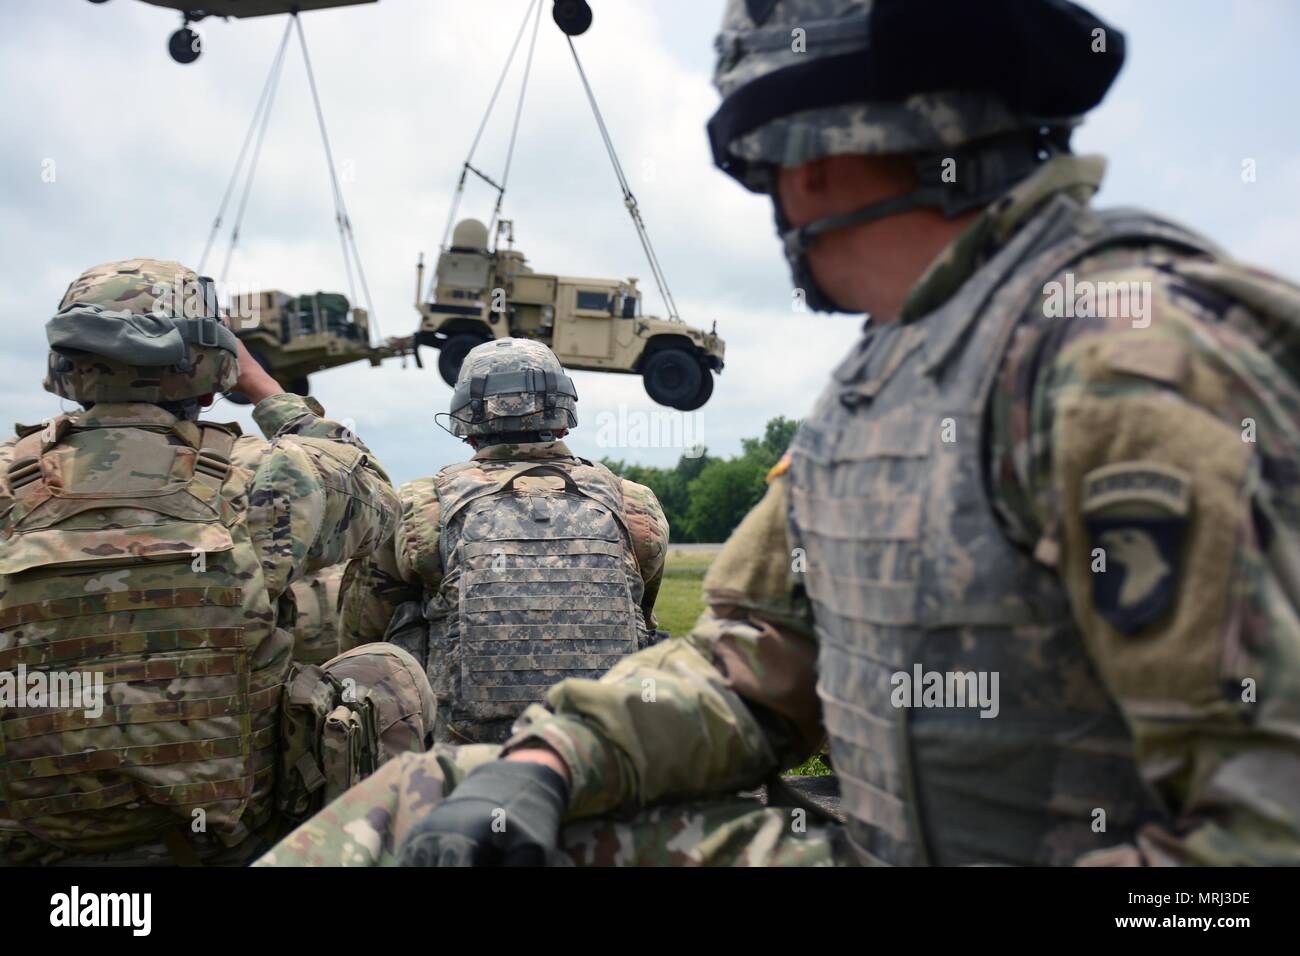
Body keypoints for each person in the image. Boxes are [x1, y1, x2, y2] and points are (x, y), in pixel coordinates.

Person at [260, 0, 1300, 868]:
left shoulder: (1131, 360)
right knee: (428, 804)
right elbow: (753, 661)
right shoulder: (892, 370)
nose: (769, 195)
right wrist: (549, 761)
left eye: (762, 162)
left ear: (809, 157)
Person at [0, 259, 434, 865]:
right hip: (228, 843)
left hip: (34, 849)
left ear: (64, 368)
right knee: (388, 671)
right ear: (210, 369)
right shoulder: (266, 476)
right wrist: (264, 388)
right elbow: (378, 500)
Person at [337, 337, 669, 744]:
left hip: (460, 762)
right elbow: (641, 614)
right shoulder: (632, 502)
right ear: (564, 415)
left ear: (466, 423)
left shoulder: (419, 505)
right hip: (602, 755)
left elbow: (361, 642)